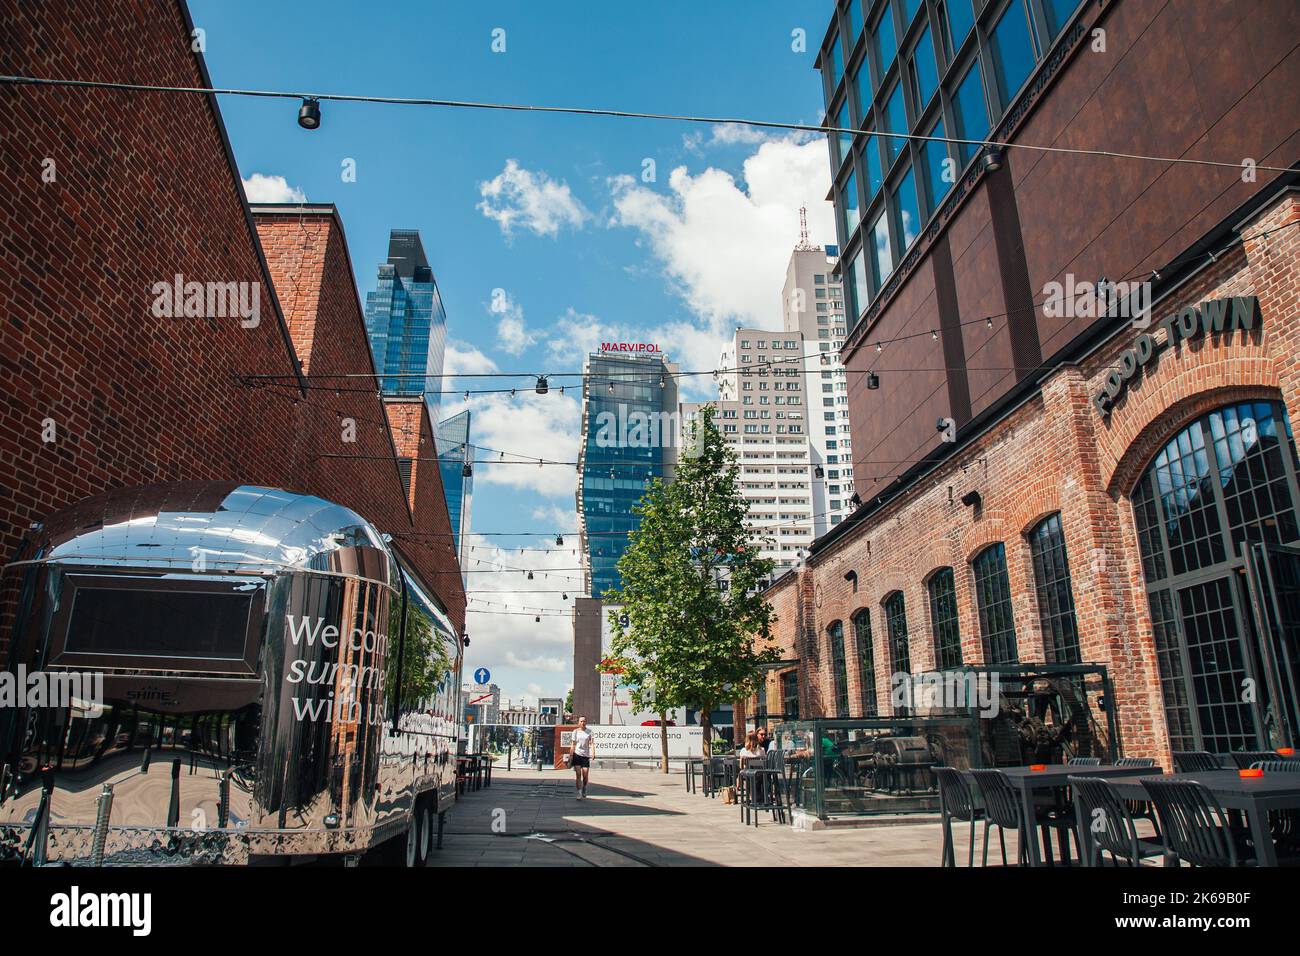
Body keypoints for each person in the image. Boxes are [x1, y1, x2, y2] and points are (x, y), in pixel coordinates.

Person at [570, 716, 594, 799]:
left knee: (585, 775)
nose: (582, 723)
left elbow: (592, 743)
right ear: (578, 722)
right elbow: (573, 744)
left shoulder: (589, 732)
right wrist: (571, 755)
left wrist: (593, 752)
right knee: (578, 774)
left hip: (585, 755)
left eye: (584, 721)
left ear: (586, 722)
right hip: (577, 754)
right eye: (581, 721)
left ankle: (584, 787)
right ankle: (579, 792)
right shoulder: (575, 731)